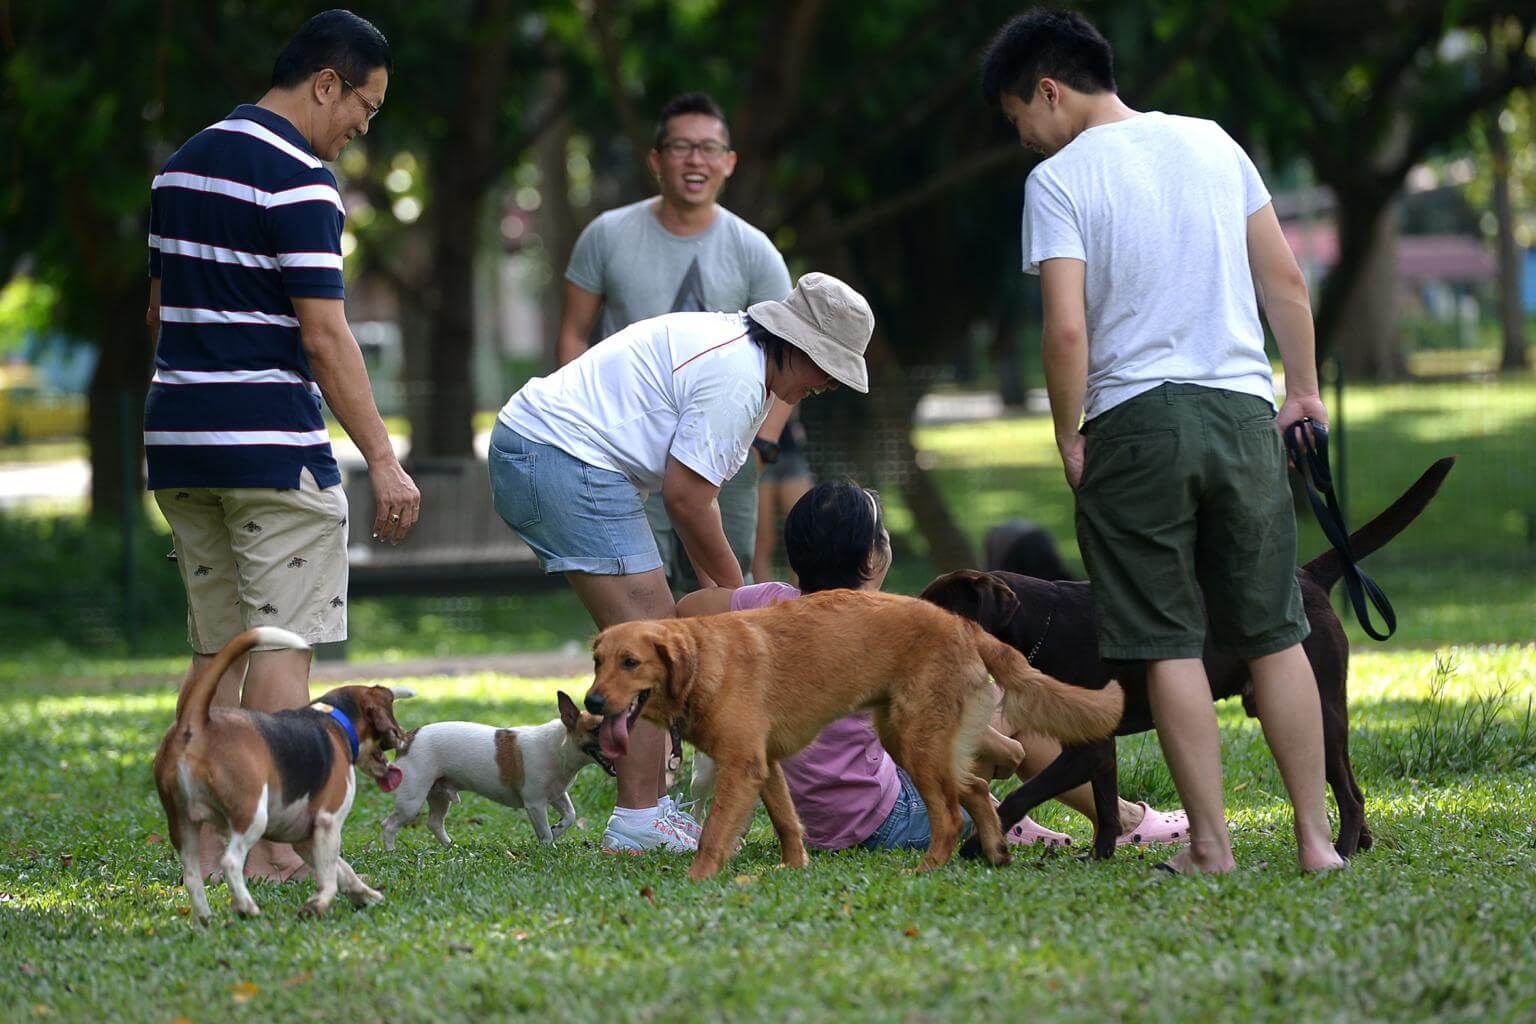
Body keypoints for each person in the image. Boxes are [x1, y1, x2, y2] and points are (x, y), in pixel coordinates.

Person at [983, 9, 1346, 873]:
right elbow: (1286, 280)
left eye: (1018, 119)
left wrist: (1068, 435)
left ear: (1048, 89)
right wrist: (1303, 391)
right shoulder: (1214, 142)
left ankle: (1212, 848)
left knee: (1166, 641)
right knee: (1273, 630)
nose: (1025, 140)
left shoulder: (1060, 180)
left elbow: (1065, 332)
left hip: (1134, 426)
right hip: (1239, 413)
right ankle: (1316, 843)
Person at [144, 9, 418, 881]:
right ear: (325, 83)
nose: (358, 132)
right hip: (269, 452)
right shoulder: (300, 180)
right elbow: (327, 336)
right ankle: (265, 850)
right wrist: (382, 457)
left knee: (215, 649)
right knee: (279, 649)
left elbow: (158, 315)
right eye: (362, 110)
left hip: (179, 449)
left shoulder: (178, 170)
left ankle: (202, 835)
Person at [491, 273, 874, 853]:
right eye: (828, 368)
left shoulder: (740, 355)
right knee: (656, 651)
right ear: (797, 345)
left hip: (545, 453)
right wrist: (737, 596)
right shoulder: (740, 381)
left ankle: (649, 808)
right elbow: (689, 500)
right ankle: (640, 820)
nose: (827, 385)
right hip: (562, 458)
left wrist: (727, 600)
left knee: (660, 642)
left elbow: (693, 501)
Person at [678, 480, 1185, 852]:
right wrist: (1004, 742)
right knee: (1011, 708)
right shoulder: (888, 633)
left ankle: (1007, 819)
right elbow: (1002, 755)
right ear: (875, 559)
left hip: (819, 821)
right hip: (883, 822)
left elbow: (687, 610)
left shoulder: (766, 604)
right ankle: (1120, 817)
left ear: (795, 560)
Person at [555, 92, 794, 596]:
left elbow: (788, 359)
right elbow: (574, 334)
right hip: (625, 452)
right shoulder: (607, 235)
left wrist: (760, 448)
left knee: (726, 595)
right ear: (656, 160)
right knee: (639, 595)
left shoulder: (756, 252)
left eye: (709, 148)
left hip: (722, 453)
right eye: (682, 147)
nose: (695, 160)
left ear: (729, 162)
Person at [751, 409, 815, 584]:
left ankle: (803, 601)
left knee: (808, 533)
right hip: (758, 452)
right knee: (762, 540)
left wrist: (795, 421)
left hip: (791, 452)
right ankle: (762, 607)